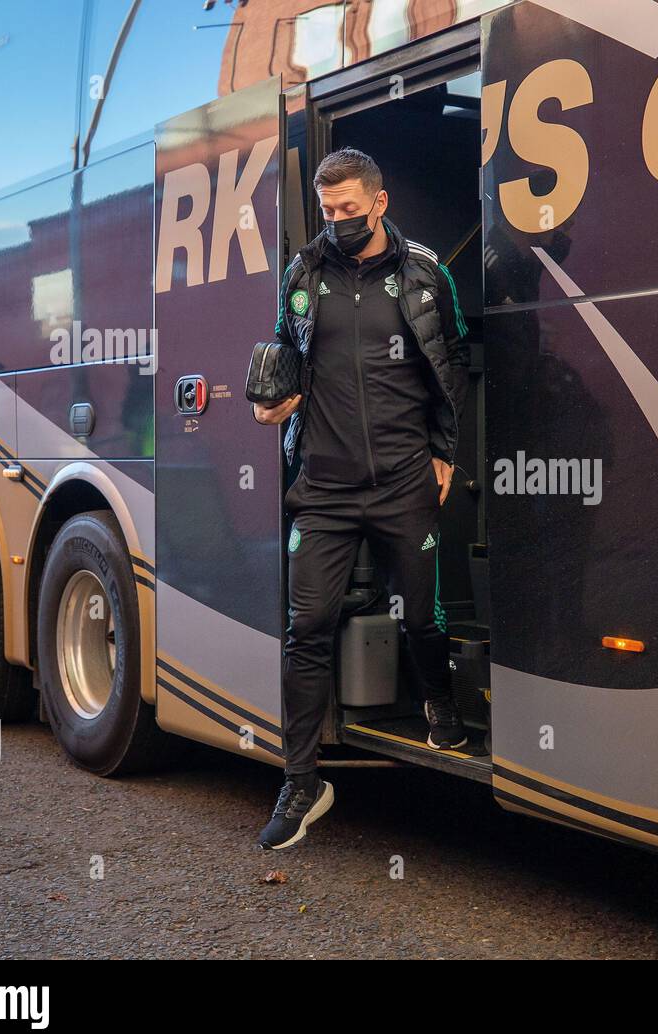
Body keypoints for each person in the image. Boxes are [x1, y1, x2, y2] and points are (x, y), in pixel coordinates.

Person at [252, 148, 470, 850]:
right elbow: (285, 351)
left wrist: (445, 452)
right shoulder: (304, 275)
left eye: (349, 209)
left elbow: (453, 360)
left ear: (380, 202)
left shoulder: (425, 272)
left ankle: (439, 700)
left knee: (422, 615)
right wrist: (273, 401)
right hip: (323, 488)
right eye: (328, 211)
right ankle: (301, 781)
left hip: (406, 480)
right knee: (305, 626)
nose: (337, 222)